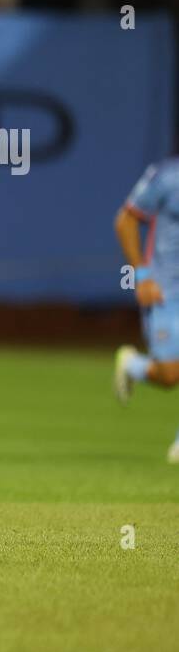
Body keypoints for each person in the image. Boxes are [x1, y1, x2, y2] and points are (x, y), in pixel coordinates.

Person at [113, 155, 179, 461]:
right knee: (169, 375)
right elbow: (125, 220)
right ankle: (131, 364)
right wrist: (142, 275)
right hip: (165, 291)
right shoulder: (166, 177)